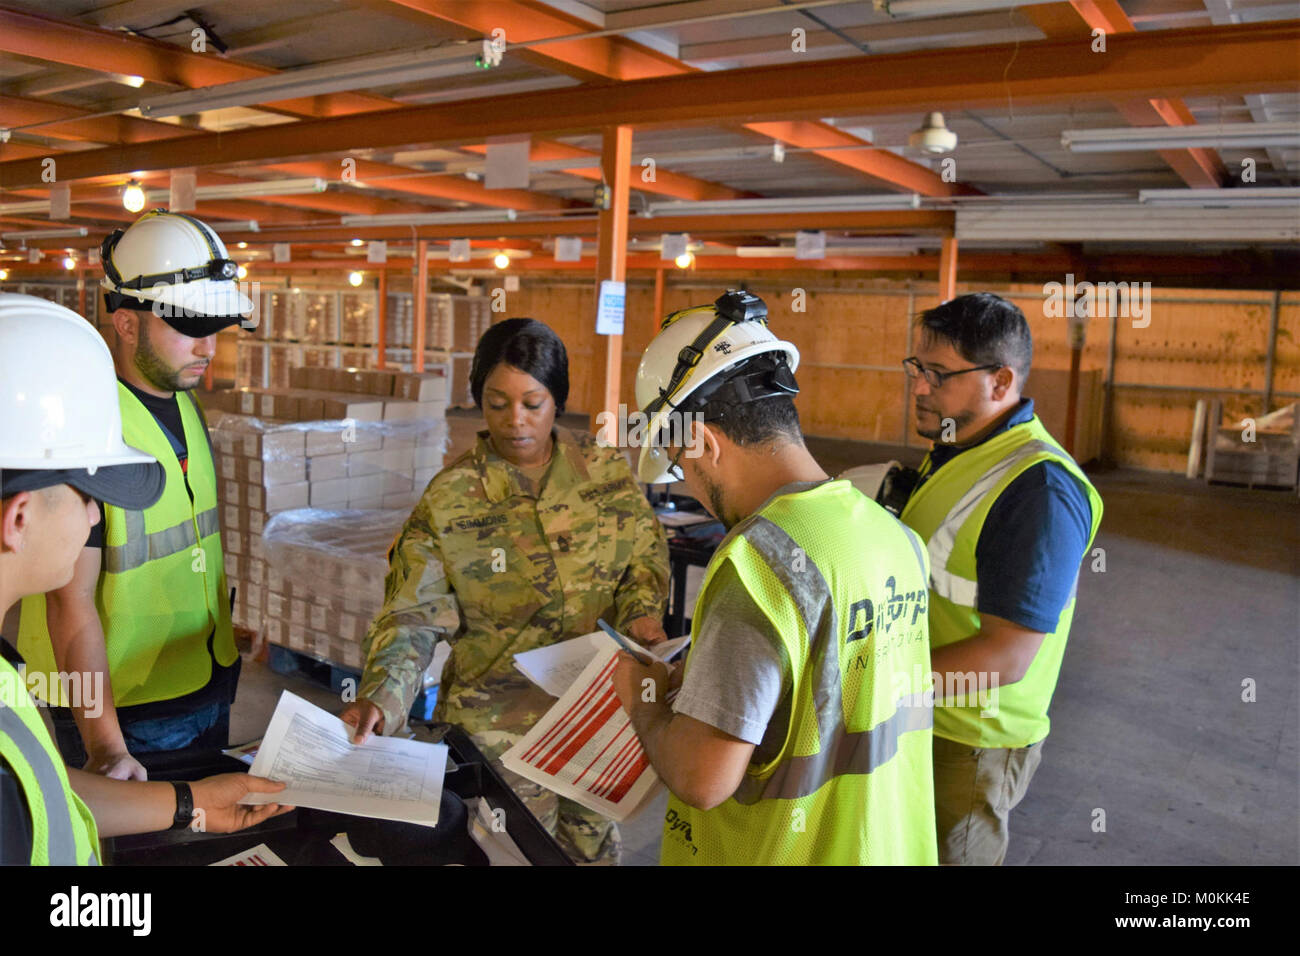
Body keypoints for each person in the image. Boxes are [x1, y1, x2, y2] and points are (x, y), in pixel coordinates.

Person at [613, 290, 938, 865]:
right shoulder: (895, 536)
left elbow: (703, 777)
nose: (690, 487)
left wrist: (642, 702)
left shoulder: (757, 560)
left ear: (702, 441)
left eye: (684, 468)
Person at [340, 318, 670, 864]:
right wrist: (384, 696)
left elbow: (643, 558)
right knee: (510, 854)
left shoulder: (606, 472)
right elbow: (413, 617)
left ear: (557, 400)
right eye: (497, 403)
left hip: (597, 716)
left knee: (591, 851)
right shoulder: (452, 499)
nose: (515, 421)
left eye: (532, 403)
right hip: (500, 735)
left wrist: (642, 618)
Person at [0, 292, 288, 865]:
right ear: (20, 517)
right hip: (135, 704)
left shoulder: (8, 682)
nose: (94, 519)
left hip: (201, 684)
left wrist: (189, 805)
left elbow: (44, 791)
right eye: (89, 498)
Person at [16, 210, 252, 780]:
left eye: (213, 328)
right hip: (126, 713)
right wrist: (106, 746)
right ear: (126, 324)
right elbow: (67, 604)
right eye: (189, 328)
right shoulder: (87, 427)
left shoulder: (185, 404)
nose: (207, 347)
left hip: (205, 679)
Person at [897, 292, 1103, 865]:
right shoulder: (959, 449)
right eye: (917, 368)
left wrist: (872, 679)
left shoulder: (1039, 488)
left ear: (999, 380)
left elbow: (1008, 656)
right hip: (924, 715)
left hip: (971, 745)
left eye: (937, 374)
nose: (919, 387)